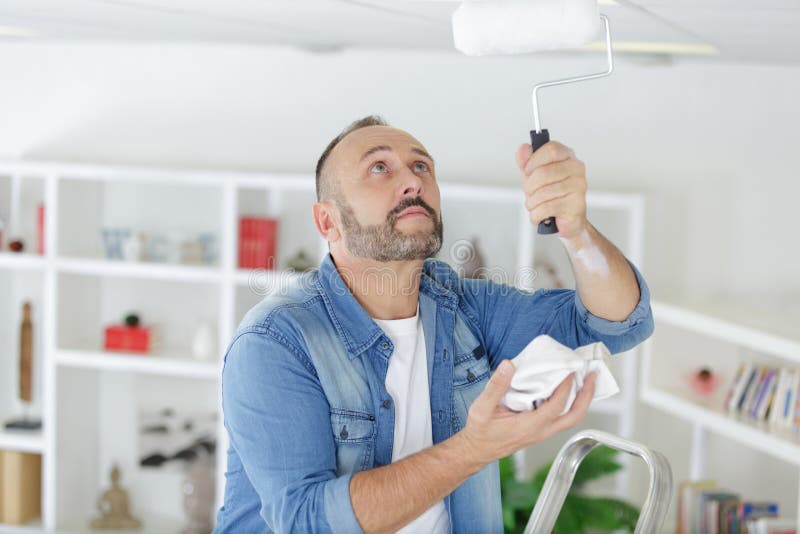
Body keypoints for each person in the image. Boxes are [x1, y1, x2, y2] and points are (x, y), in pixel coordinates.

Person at [214, 115, 654, 533]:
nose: (413, 180)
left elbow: (616, 323)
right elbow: (307, 522)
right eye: (379, 167)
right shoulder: (276, 342)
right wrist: (476, 448)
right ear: (328, 221)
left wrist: (575, 231)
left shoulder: (463, 307)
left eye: (421, 165)